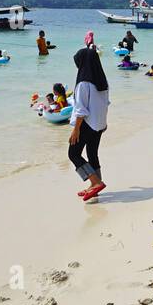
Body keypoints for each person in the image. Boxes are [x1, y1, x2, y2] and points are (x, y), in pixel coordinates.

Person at [69, 46, 110, 201]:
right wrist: (104, 123)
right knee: (92, 153)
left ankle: (95, 183)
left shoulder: (83, 84)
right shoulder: (103, 81)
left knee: (73, 154)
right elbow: (106, 103)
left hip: (86, 124)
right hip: (99, 124)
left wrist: (76, 130)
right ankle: (96, 185)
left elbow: (80, 110)